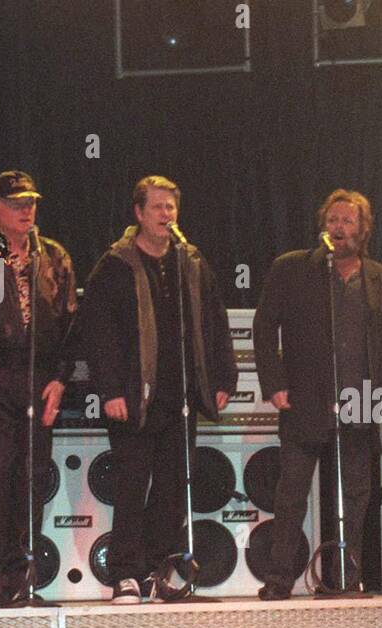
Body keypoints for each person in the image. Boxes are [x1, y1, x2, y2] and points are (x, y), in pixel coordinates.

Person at [253, 189, 382, 599]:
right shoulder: (292, 269)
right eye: (333, 220)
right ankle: (279, 579)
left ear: (363, 229)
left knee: (358, 494)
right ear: (322, 226)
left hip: (362, 398)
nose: (339, 228)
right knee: (292, 491)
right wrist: (274, 383)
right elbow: (263, 326)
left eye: (347, 221)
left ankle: (346, 577)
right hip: (305, 398)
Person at [83, 175, 237, 603]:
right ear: (138, 213)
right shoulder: (115, 265)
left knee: (172, 489)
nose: (166, 215)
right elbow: (99, 334)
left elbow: (215, 320)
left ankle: (152, 569)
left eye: (171, 207)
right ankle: (124, 574)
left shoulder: (190, 261)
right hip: (134, 398)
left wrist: (223, 378)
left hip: (179, 397)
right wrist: (111, 389)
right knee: (133, 487)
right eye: (157, 208)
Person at [0, 171, 78, 607]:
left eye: (32, 201)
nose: (27, 210)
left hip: (38, 376)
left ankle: (26, 580)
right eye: (17, 202)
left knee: (32, 476)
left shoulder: (54, 255)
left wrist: (61, 378)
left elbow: (70, 323)